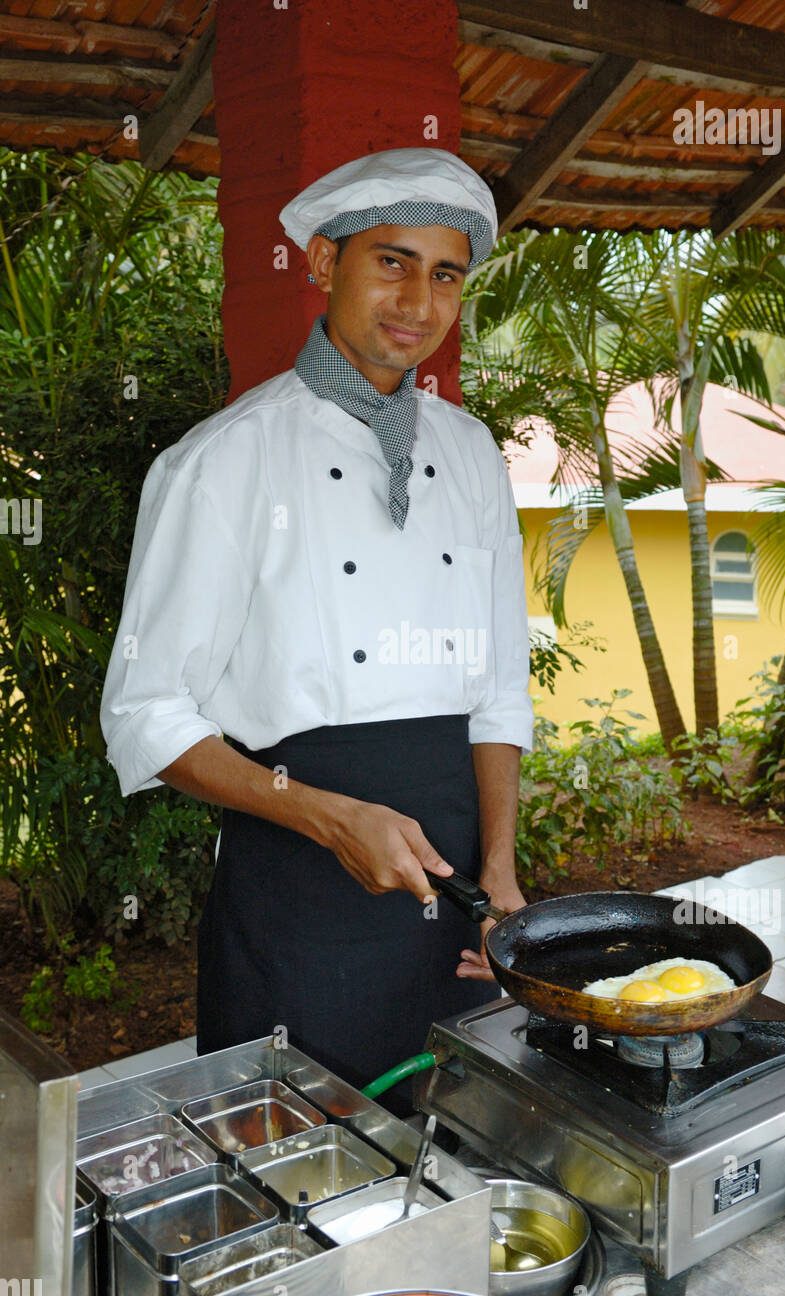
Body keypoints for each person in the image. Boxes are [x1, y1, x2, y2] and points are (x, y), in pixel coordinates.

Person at [100, 146, 534, 1113]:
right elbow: (145, 713)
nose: (418, 301)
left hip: (454, 897)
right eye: (392, 262)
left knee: (451, 1146)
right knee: (298, 1162)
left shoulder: (472, 453)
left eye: (446, 274)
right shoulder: (222, 461)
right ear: (324, 262)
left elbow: (501, 688)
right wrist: (330, 818)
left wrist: (500, 872)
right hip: (295, 891)